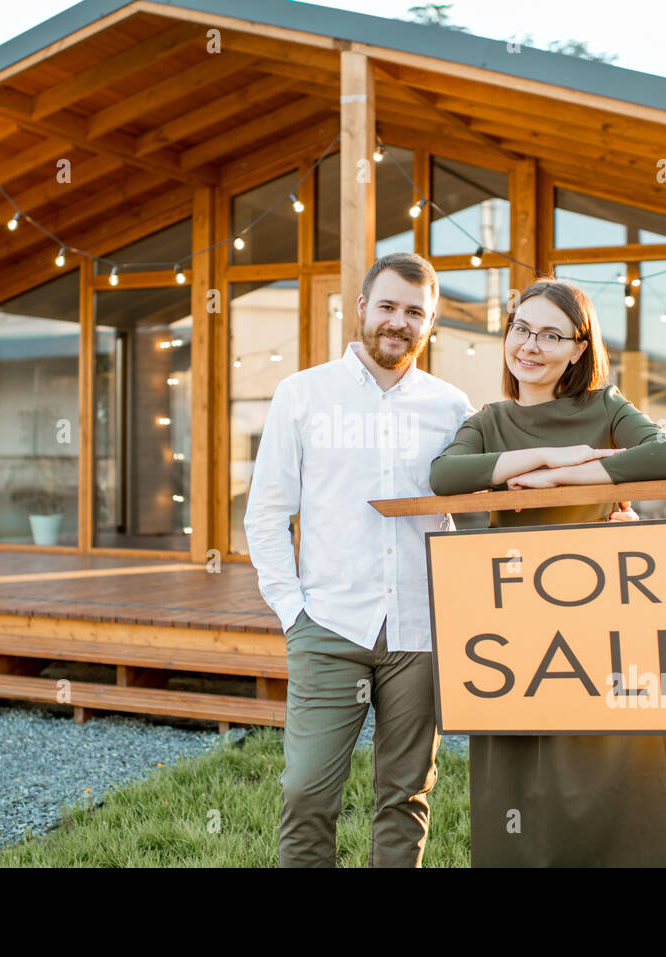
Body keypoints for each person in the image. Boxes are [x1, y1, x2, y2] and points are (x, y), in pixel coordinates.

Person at [428, 277, 666, 867]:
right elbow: (445, 477)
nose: (531, 345)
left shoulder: (605, 407)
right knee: (519, 772)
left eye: (551, 334)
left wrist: (556, 480)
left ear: (578, 348)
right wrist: (549, 455)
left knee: (611, 760)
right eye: (521, 329)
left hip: (598, 619)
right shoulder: (489, 421)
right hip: (513, 625)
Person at [244, 252, 475, 867]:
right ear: (362, 308)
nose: (399, 321)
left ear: (429, 325)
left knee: (405, 794)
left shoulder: (453, 408)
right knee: (307, 790)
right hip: (329, 625)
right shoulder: (303, 394)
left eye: (414, 312)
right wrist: (294, 614)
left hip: (421, 630)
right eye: (389, 306)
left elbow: (480, 508)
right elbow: (267, 514)